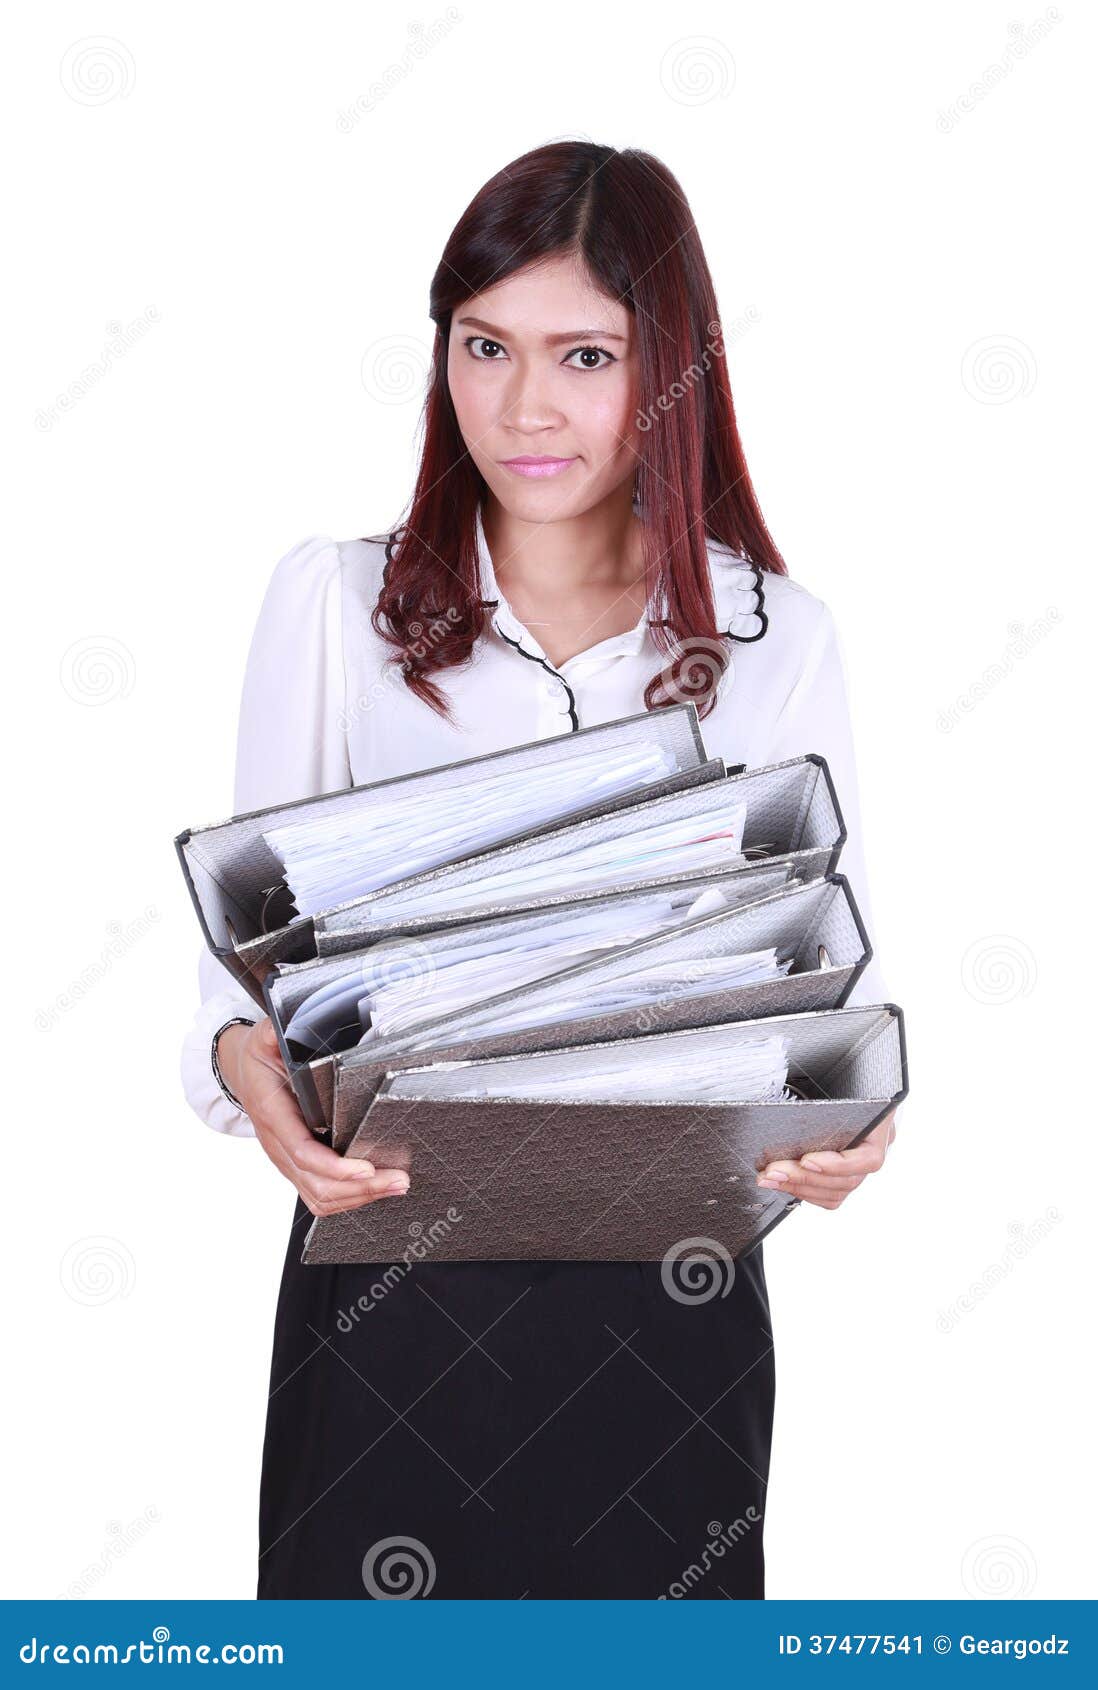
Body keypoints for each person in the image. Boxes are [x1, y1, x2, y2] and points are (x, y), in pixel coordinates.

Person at [180, 141, 898, 1600]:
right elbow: (238, 982)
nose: (523, 408)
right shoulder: (337, 607)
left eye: (585, 355)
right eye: (483, 345)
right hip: (392, 1280)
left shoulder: (774, 637)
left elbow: (821, 980)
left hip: (669, 1287)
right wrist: (251, 1073)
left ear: (669, 367)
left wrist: (846, 1131)